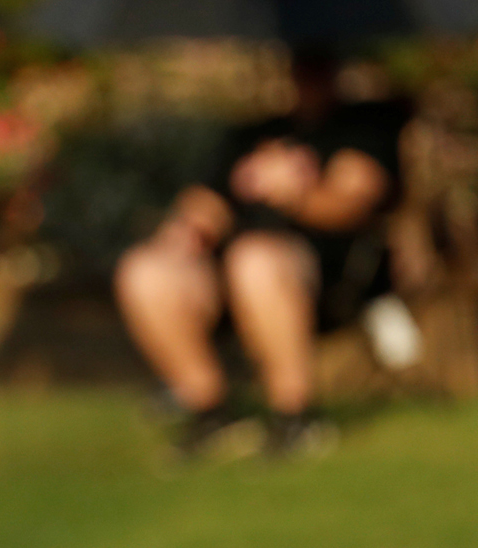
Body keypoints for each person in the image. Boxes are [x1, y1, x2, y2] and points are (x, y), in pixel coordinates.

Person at [115, 51, 407, 459]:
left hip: (327, 276)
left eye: (316, 63)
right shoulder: (253, 134)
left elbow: (350, 203)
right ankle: (210, 409)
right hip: (228, 273)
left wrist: (293, 193)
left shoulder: (362, 128)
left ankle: (294, 415)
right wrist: (187, 232)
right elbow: (205, 204)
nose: (306, 75)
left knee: (255, 260)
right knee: (146, 268)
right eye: (300, 63)